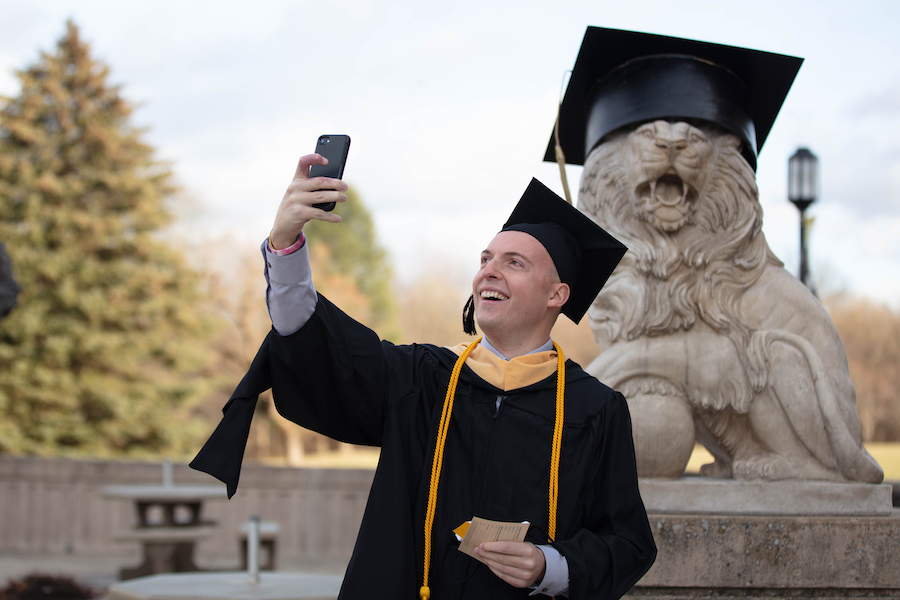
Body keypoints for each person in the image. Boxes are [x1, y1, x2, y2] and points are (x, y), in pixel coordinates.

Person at [191, 154, 657, 599]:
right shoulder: (422, 379)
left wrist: (549, 567)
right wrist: (285, 245)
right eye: (485, 259)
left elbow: (627, 541)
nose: (488, 272)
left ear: (558, 294)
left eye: (514, 263)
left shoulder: (593, 409)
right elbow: (317, 344)